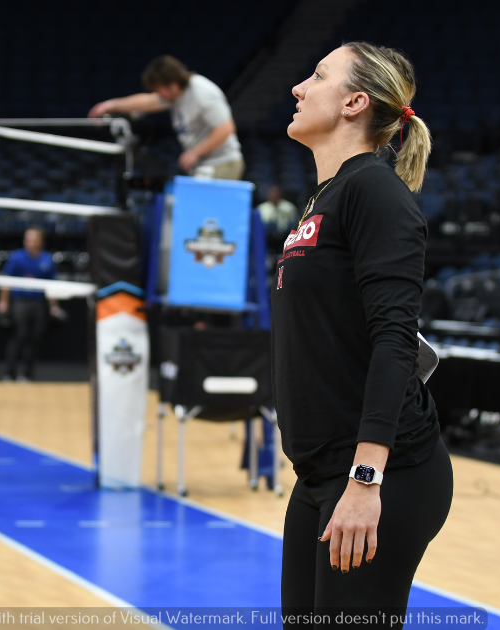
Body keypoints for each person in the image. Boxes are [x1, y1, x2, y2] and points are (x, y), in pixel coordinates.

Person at [273, 42, 451, 617]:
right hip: (321, 475)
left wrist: (367, 477)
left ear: (354, 102)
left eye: (317, 75)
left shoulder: (374, 190)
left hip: (380, 475)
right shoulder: (325, 196)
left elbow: (395, 339)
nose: (299, 87)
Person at [88, 55, 243, 180]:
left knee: (203, 212)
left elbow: (226, 128)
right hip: (205, 165)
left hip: (223, 163)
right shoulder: (176, 96)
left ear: (173, 84)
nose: (159, 94)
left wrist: (195, 152)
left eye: (160, 90)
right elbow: (148, 101)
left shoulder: (202, 92)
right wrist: (111, 105)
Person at [0, 226, 62, 382]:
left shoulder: (47, 259)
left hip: (38, 303)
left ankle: (27, 374)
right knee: (19, 335)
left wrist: (54, 305)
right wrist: (3, 302)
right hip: (20, 302)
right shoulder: (17, 257)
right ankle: (9, 373)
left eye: (34, 239)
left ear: (41, 241)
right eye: (28, 239)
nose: (30, 242)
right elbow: (6, 281)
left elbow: (51, 286)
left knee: (35, 338)